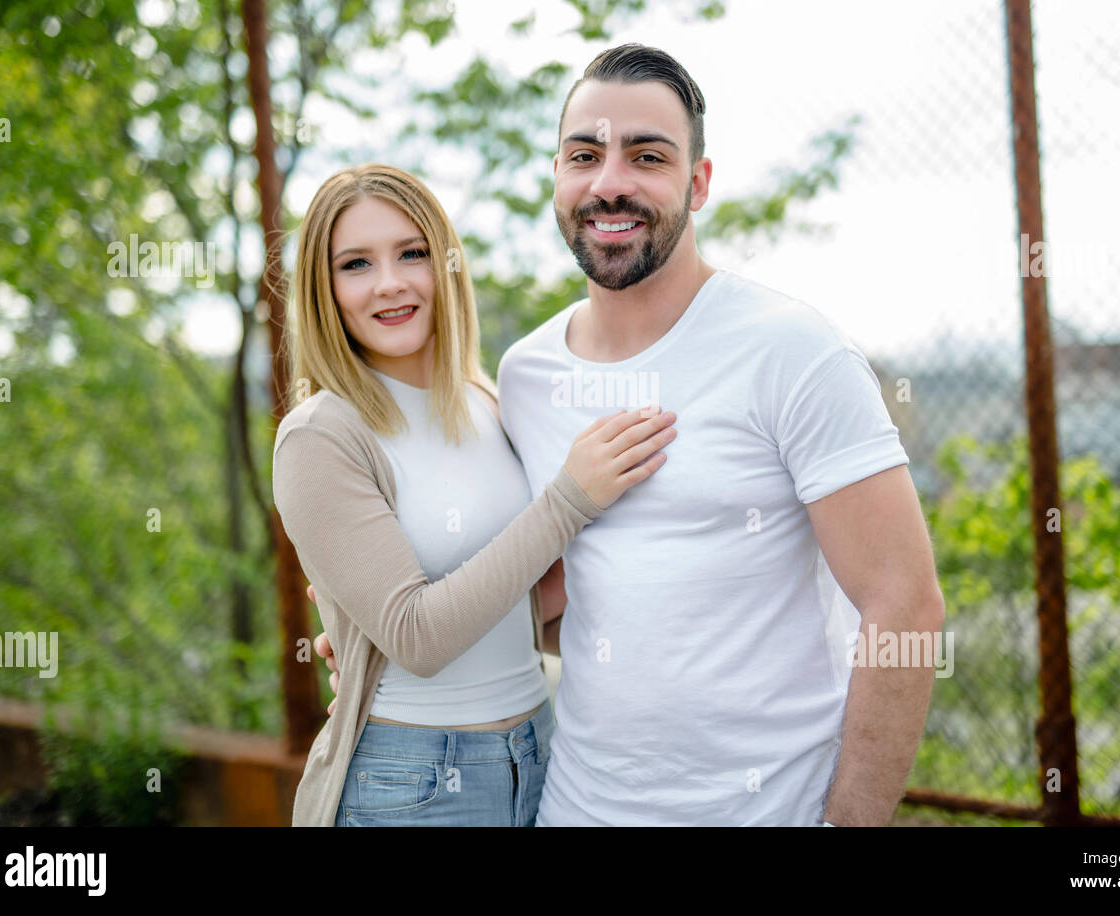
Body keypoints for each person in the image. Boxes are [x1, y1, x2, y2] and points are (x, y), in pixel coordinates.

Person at [318, 44, 945, 826]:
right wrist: (368, 625)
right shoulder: (524, 377)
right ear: (557, 178)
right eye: (585, 154)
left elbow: (906, 606)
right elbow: (555, 598)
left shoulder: (793, 351)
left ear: (699, 182)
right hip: (574, 806)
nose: (609, 181)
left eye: (646, 156)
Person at [272, 162, 678, 826]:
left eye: (412, 253)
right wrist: (571, 500)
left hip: (541, 753)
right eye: (355, 264)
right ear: (325, 289)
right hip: (411, 782)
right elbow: (419, 638)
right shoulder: (321, 435)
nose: (391, 283)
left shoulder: (487, 401)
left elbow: (527, 610)